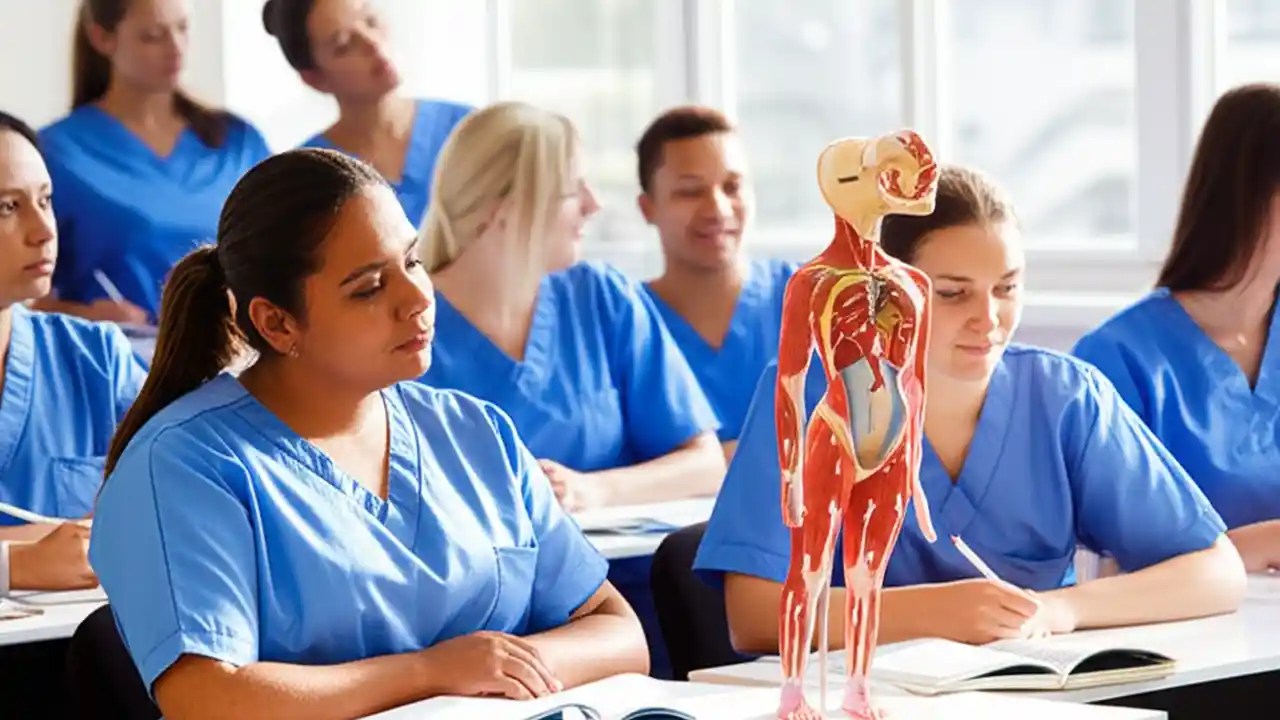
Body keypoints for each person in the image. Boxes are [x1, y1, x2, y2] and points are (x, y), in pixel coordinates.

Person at [89, 148, 647, 718]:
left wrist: (498, 666)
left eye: (413, 261)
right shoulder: (184, 464)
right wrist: (432, 672)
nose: (416, 299)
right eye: (369, 288)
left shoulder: (475, 432)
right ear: (276, 323)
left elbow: (618, 632)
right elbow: (208, 697)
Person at [695, 165, 1245, 656]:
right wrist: (936, 614)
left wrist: (1058, 610)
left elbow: (1216, 571)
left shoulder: (1064, 398)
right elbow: (754, 616)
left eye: (1006, 288)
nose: (990, 319)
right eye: (953, 294)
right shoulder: (809, 397)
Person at [420, 101, 724, 511]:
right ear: (503, 209)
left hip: (632, 570)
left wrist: (592, 490)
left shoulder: (602, 300)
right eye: (573, 189)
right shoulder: (408, 326)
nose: (593, 205)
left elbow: (705, 464)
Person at [1073, 83, 1280, 574]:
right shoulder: (1118, 360)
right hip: (1196, 636)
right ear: (1248, 194)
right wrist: (1270, 540)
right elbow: (1121, 567)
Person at [36, 0, 272, 324]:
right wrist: (81, 316)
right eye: (152, 36)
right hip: (128, 363)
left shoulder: (238, 141)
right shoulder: (55, 154)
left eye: (183, 28)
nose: (176, 48)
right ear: (102, 38)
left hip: (246, 355)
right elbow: (13, 292)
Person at [0, 111, 146, 593]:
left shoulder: (96, 357)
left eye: (45, 200)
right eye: (7, 207)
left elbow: (180, 507)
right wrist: (13, 564)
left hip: (79, 653)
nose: (43, 230)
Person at [637, 106, 796, 460]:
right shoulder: (627, 322)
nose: (718, 209)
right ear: (648, 208)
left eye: (732, 187)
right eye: (690, 191)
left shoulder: (802, 298)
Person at [263, 0, 471, 226]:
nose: (372, 43)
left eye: (370, 21)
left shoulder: (469, 129)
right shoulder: (305, 177)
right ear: (315, 79)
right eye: (344, 45)